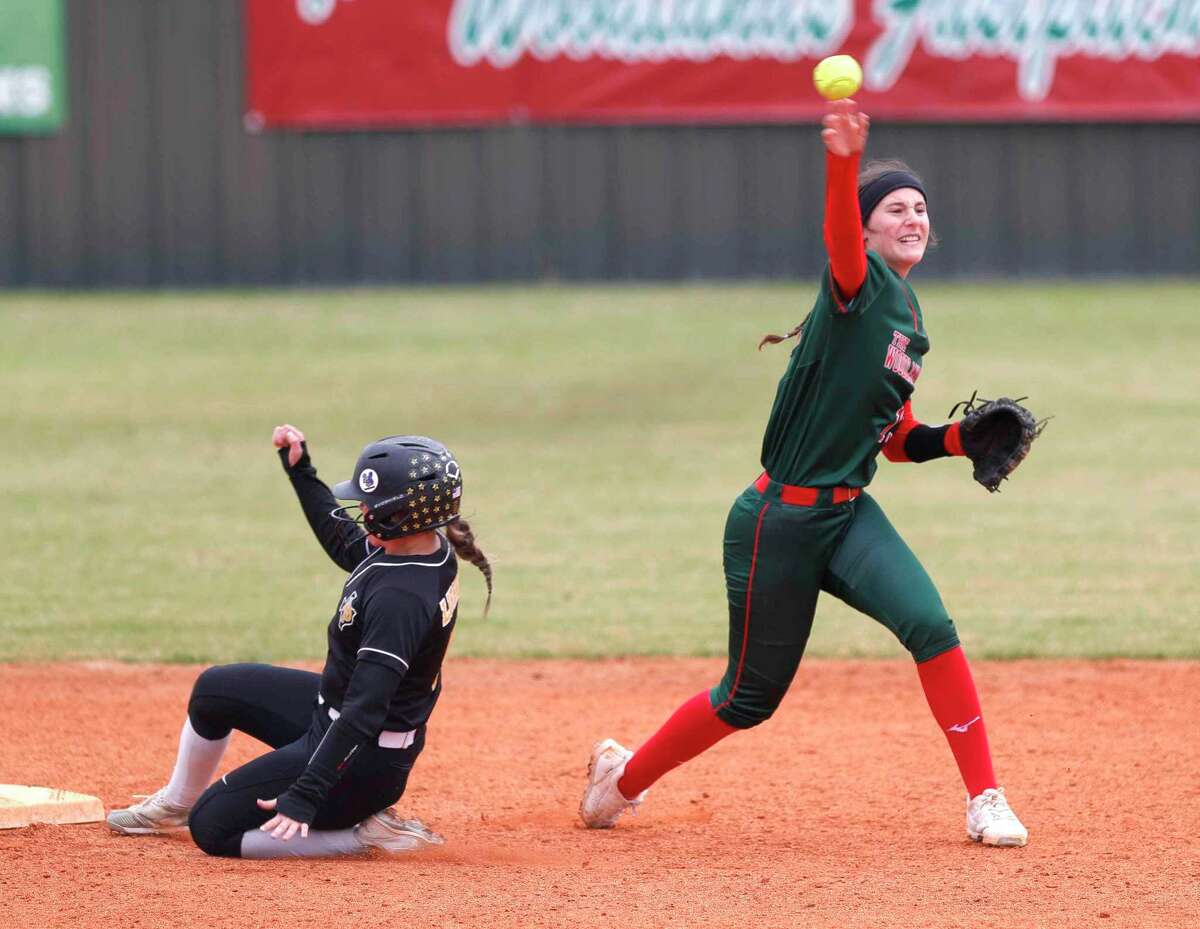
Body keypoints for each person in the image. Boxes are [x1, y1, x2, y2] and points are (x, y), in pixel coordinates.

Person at [579, 100, 1029, 847]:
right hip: (778, 523)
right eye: (894, 209)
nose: (912, 218)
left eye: (920, 208)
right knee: (747, 698)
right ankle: (620, 781)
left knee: (931, 625)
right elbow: (840, 244)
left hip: (848, 516)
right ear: (868, 228)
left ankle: (986, 797)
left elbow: (896, 440)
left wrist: (959, 440)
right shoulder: (859, 290)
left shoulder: (909, 319)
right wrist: (844, 162)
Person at [106, 425, 492, 858]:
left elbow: (365, 711)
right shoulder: (417, 546)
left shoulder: (400, 599)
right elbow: (343, 540)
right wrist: (301, 472)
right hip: (334, 717)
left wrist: (306, 794)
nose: (362, 509)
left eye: (371, 504)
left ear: (399, 515)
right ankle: (176, 803)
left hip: (363, 759)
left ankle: (366, 836)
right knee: (215, 690)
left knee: (212, 828)